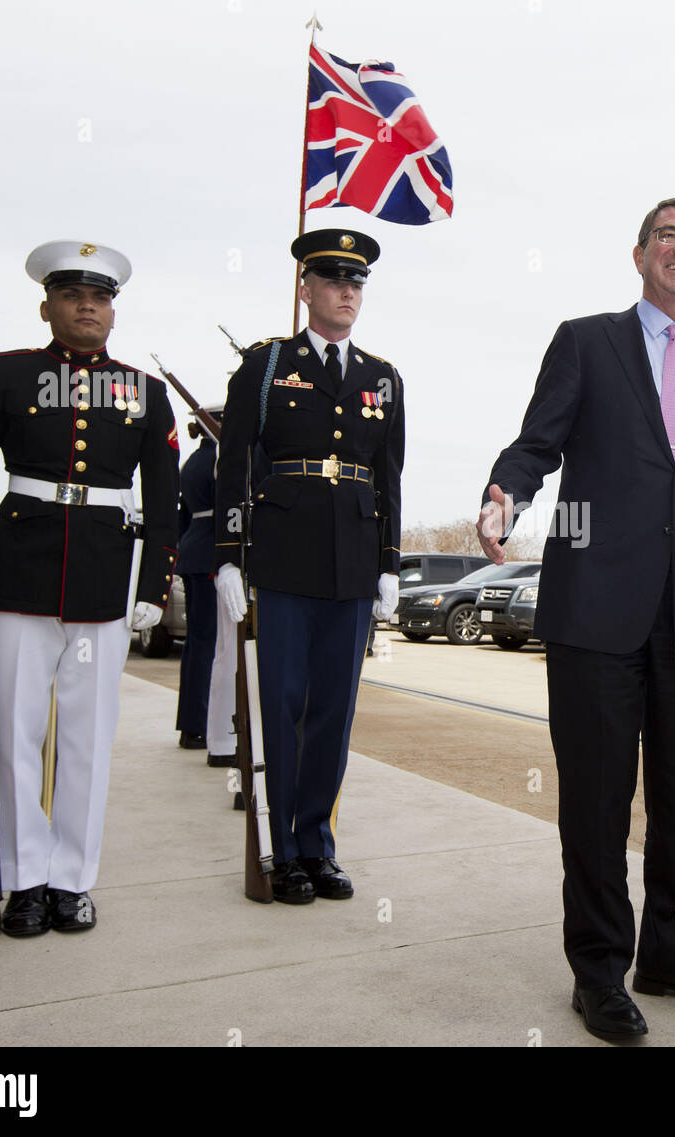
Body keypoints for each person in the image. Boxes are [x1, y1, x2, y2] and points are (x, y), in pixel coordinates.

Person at [478, 198, 675, 1043]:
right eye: (669, 238)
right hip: (596, 610)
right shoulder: (587, 340)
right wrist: (506, 493)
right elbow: (536, 441)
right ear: (640, 254)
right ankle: (601, 969)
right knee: (599, 798)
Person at [0, 240, 179, 937]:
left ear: (113, 312)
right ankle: (25, 875)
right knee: (13, 732)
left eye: (100, 297)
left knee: (89, 739)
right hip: (19, 576)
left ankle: (73, 879)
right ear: (48, 306)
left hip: (103, 578)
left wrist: (154, 582)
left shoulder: (146, 394)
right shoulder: (2, 377)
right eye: (73, 295)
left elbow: (164, 506)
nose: (87, 306)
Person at [214, 228, 403, 905]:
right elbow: (231, 462)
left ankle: (318, 841)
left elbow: (388, 477)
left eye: (355, 282)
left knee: (333, 710)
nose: (345, 291)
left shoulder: (382, 376)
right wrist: (230, 555)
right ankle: (283, 848)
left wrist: (390, 563)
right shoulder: (267, 366)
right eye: (331, 279)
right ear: (306, 288)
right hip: (285, 555)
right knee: (284, 704)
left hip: (353, 564)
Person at [174, 409, 226, 756]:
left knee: (196, 643)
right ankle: (202, 725)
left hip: (192, 551)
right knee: (209, 644)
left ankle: (191, 724)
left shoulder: (194, 460)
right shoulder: (219, 460)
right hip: (211, 553)